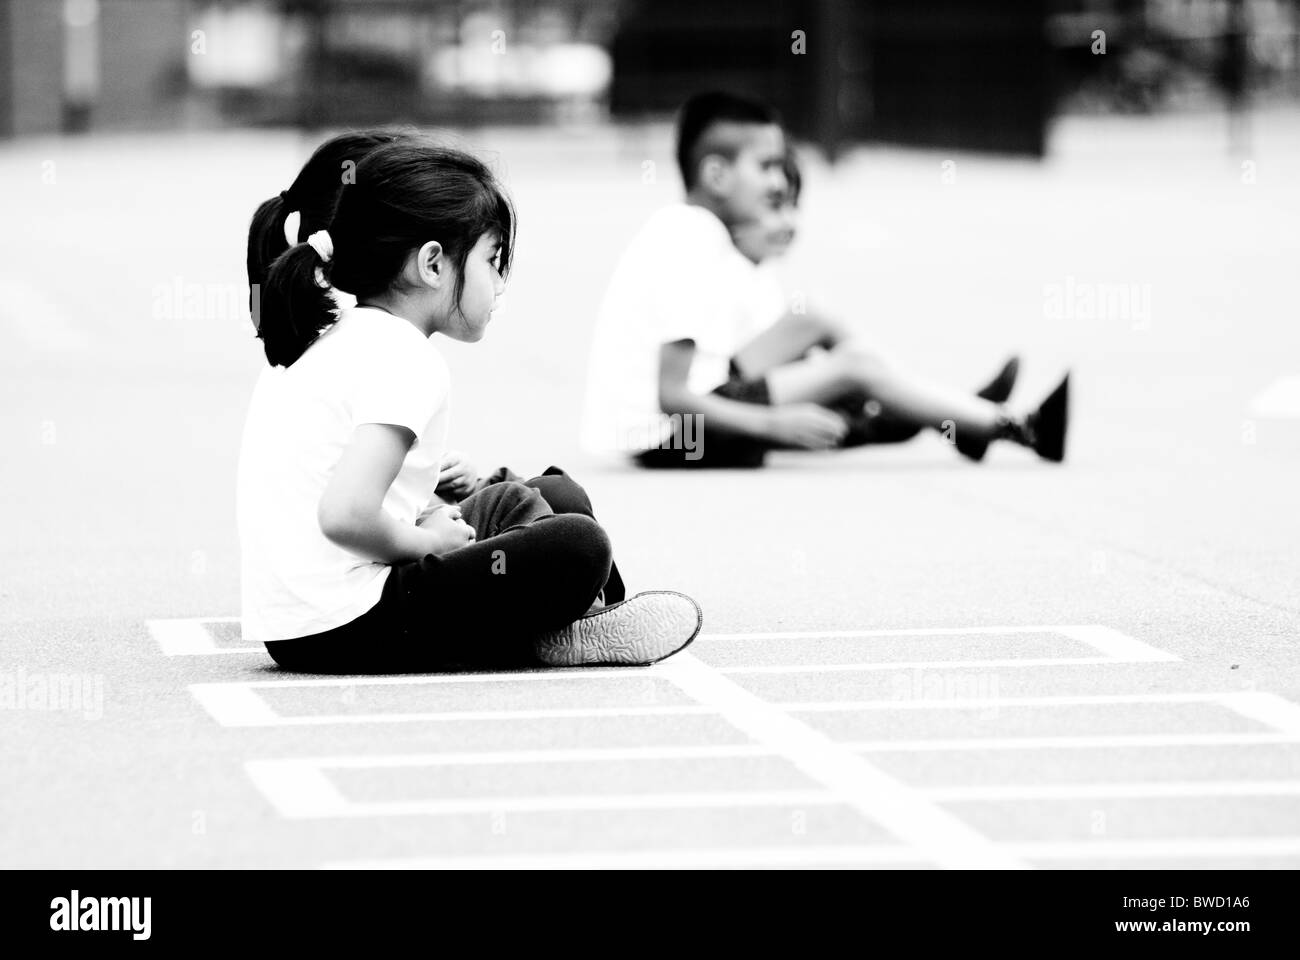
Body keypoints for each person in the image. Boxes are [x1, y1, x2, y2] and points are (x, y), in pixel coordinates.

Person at [237, 138, 701, 673]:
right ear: (433, 264)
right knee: (578, 545)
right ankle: (565, 628)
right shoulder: (404, 355)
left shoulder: (333, 333)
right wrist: (424, 541)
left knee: (552, 493)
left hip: (301, 626)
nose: (501, 283)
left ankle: (579, 618)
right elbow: (343, 514)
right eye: (492, 260)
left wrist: (431, 506)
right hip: (347, 627)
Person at [580, 91, 1068, 468]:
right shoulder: (687, 238)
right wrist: (775, 424)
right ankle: (1015, 427)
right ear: (716, 174)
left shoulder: (695, 230)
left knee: (812, 322)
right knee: (853, 367)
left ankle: (950, 415)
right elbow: (673, 396)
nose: (778, 182)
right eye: (768, 167)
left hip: (690, 413)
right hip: (667, 438)